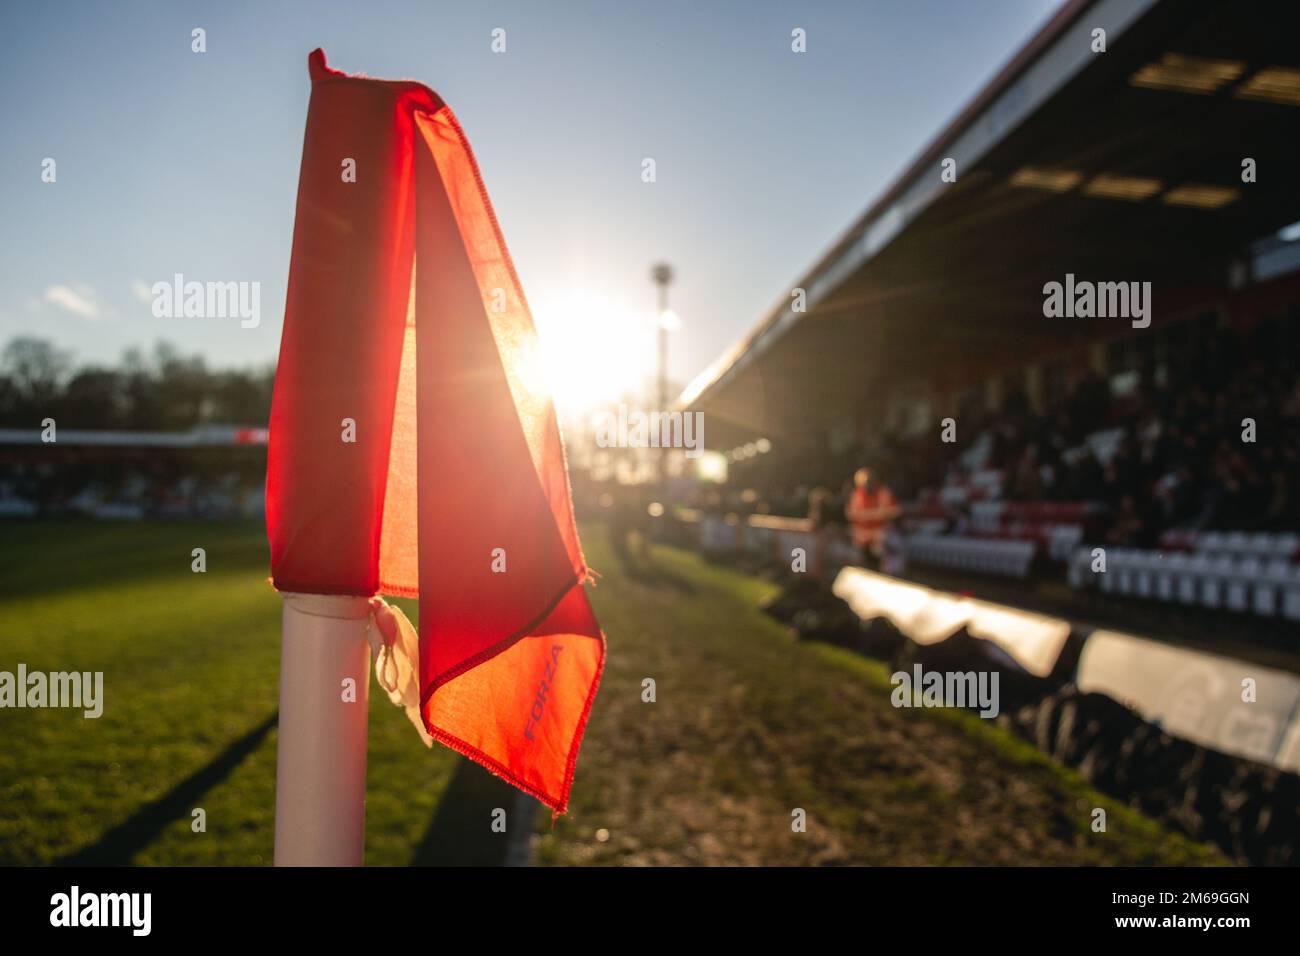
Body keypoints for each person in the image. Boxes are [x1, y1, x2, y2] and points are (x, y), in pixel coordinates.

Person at [845, 467, 900, 571]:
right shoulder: (857, 495)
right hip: (862, 537)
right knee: (862, 560)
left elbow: (896, 511)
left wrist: (879, 515)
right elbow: (851, 514)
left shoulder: (884, 493)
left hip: (881, 535)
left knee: (881, 553)